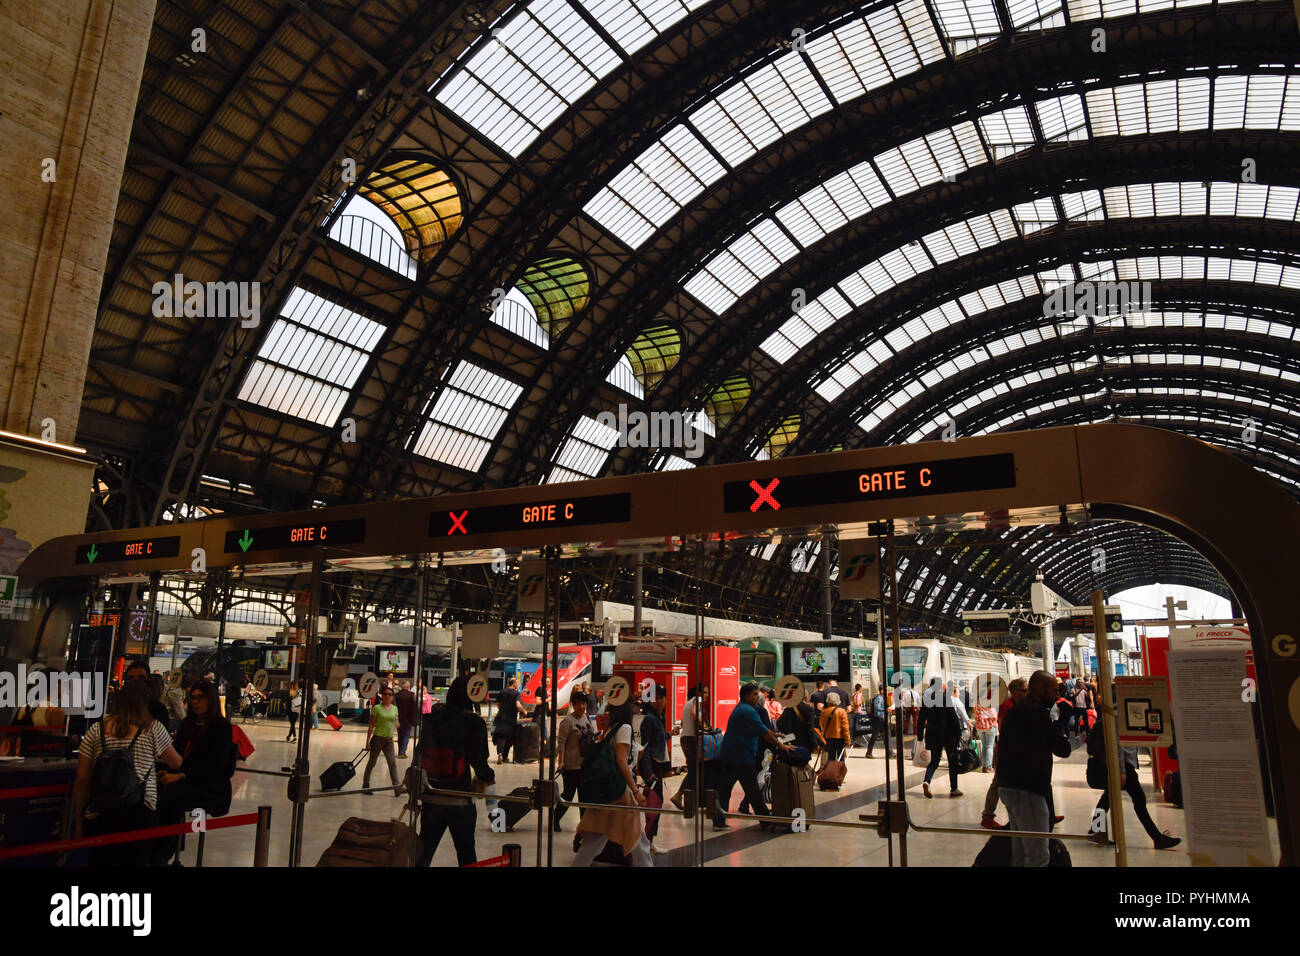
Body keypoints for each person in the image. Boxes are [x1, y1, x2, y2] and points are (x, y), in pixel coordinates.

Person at [72, 679, 183, 866]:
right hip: (140, 810)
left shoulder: (97, 730)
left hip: (101, 812)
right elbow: (175, 762)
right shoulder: (153, 728)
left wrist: (78, 819)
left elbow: (82, 779)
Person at [155, 679, 236, 865]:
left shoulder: (221, 727)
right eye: (192, 698)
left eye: (200, 698)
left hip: (211, 787)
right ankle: (159, 848)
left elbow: (215, 766)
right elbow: (178, 753)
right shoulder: (187, 724)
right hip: (187, 780)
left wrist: (181, 775)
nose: (195, 702)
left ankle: (164, 850)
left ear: (211, 700)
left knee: (168, 799)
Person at [417, 675, 495, 866]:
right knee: (466, 853)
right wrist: (488, 778)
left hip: (431, 796)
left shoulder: (431, 718)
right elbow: (480, 763)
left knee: (423, 854)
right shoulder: (474, 722)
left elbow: (419, 754)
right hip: (460, 799)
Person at [997, 671, 1072, 866]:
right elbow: (1063, 749)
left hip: (1009, 785)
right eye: (1054, 690)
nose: (1057, 695)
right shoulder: (1037, 712)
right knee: (1037, 854)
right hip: (1028, 789)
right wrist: (1059, 723)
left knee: (1021, 851)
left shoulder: (1016, 710)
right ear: (1040, 688)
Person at [572, 701, 653, 867]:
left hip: (609, 790)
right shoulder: (625, 728)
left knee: (596, 840)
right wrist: (635, 791)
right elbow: (621, 761)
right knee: (635, 836)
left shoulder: (612, 728)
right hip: (620, 791)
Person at [1088, 716, 1181, 850]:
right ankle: (1157, 838)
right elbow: (1118, 744)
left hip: (1121, 765)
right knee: (1138, 800)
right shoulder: (1119, 715)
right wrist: (1121, 770)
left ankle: (1096, 830)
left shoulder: (1118, 713)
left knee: (1108, 797)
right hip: (1123, 766)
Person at [713, 684, 794, 831]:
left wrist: (776, 735)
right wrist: (781, 745)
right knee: (753, 790)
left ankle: (719, 821)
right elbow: (764, 733)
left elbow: (761, 729)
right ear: (746, 696)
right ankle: (765, 820)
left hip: (730, 755)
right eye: (755, 694)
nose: (758, 697)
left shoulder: (742, 708)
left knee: (725, 790)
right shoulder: (748, 711)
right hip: (741, 757)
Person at [980, 677, 1027, 829]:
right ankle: (987, 816)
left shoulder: (1013, 704)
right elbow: (1008, 730)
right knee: (998, 783)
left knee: (1004, 783)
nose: (1027, 693)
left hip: (1010, 750)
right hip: (1007, 751)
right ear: (1014, 691)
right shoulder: (1008, 706)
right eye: (1024, 691)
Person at [553, 689, 593, 845]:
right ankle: (555, 818)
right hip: (570, 765)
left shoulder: (586, 719)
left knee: (584, 797)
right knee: (568, 795)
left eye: (584, 703)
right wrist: (561, 762)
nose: (582, 706)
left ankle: (584, 826)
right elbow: (561, 742)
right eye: (579, 704)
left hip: (584, 766)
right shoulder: (567, 721)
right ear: (574, 704)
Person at [638, 683, 673, 855]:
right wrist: (648, 772)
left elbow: (658, 737)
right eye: (655, 698)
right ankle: (646, 843)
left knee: (655, 807)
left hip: (657, 767)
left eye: (662, 697)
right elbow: (645, 747)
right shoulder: (650, 719)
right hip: (652, 769)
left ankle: (649, 843)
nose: (659, 701)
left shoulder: (659, 717)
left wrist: (669, 733)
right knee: (653, 807)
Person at [916, 678, 963, 799]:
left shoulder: (926, 700)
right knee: (952, 761)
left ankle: (927, 781)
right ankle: (954, 788)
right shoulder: (944, 698)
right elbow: (953, 716)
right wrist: (958, 733)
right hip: (947, 734)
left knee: (935, 761)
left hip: (933, 734)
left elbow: (921, 719)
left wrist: (920, 735)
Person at [362, 686, 403, 796]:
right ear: (382, 695)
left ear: (392, 696)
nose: (387, 696)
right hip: (377, 738)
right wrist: (367, 741)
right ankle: (365, 785)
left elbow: (396, 722)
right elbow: (371, 725)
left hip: (389, 739)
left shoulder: (395, 708)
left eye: (389, 694)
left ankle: (397, 788)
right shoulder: (377, 708)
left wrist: (398, 724)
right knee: (372, 762)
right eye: (385, 694)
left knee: (392, 764)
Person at [123, 659, 171, 727]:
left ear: (148, 681)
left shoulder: (158, 709)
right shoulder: (119, 705)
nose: (135, 681)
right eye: (131, 678)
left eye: (141, 678)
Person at [492, 677, 525, 764]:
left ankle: (500, 754)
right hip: (510, 719)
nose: (517, 684)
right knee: (510, 738)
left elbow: (498, 704)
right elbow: (518, 705)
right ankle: (505, 756)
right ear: (514, 684)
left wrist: (503, 710)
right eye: (517, 683)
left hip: (501, 717)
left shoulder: (502, 691)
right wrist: (524, 711)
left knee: (500, 736)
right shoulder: (516, 693)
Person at [819, 692, 850, 764]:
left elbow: (821, 724)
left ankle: (831, 772)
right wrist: (847, 740)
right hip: (840, 737)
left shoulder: (824, 712)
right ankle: (839, 773)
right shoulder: (842, 711)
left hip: (829, 737)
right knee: (841, 758)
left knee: (831, 758)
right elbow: (845, 727)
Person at [973, 692, 999, 774]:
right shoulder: (990, 706)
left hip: (980, 728)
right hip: (990, 727)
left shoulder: (976, 706)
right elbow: (995, 716)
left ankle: (983, 766)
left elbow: (976, 716)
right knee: (989, 746)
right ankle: (988, 767)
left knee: (984, 746)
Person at [867, 687, 893, 757]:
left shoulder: (883, 698)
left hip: (882, 719)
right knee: (875, 736)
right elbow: (877, 708)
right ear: (882, 691)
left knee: (886, 736)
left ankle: (890, 752)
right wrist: (886, 709)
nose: (887, 691)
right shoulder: (879, 698)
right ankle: (869, 753)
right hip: (878, 719)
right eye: (886, 690)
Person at [395, 679, 417, 758]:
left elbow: (395, 707)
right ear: (408, 687)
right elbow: (414, 708)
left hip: (399, 718)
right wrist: (415, 720)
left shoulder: (397, 695)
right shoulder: (412, 695)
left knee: (400, 735)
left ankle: (400, 751)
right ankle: (402, 751)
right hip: (408, 718)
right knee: (406, 735)